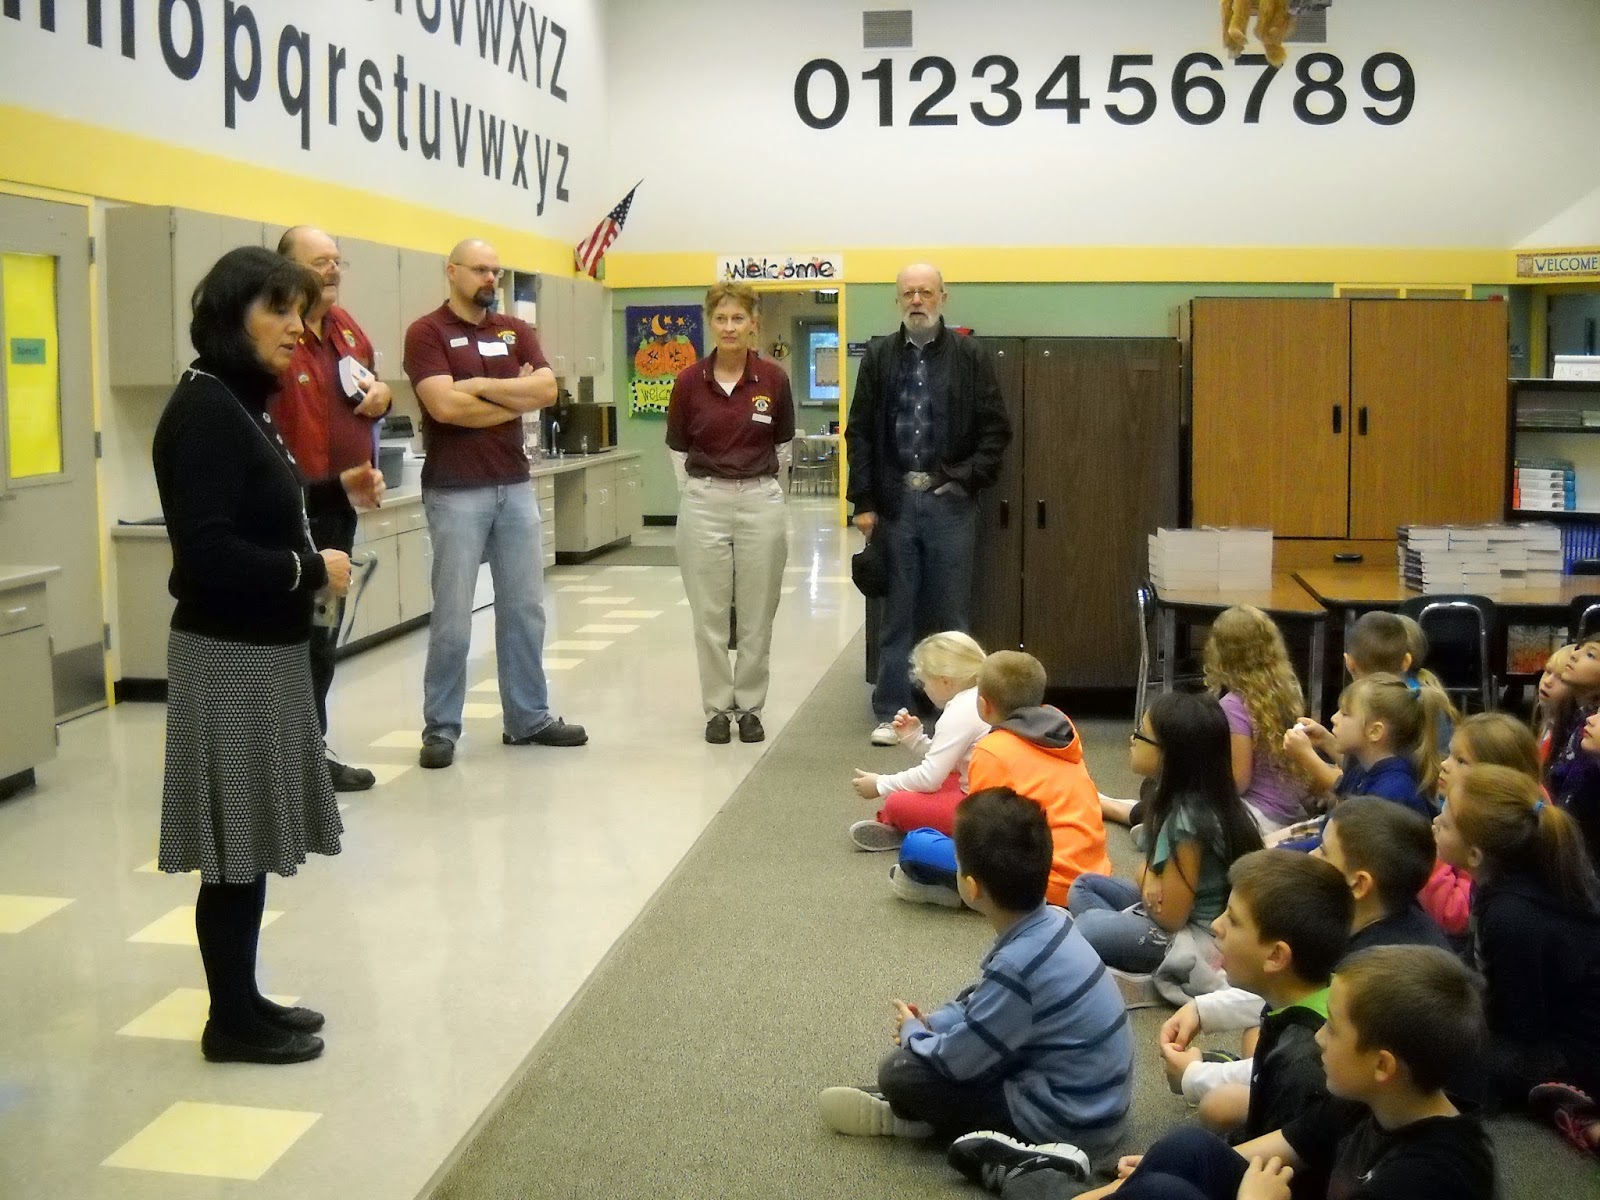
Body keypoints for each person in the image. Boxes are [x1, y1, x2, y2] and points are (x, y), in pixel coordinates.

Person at [152, 246, 385, 1064]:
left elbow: (263, 504)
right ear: (229, 317)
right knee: (232, 853)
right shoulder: (207, 413)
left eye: (302, 310)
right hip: (230, 657)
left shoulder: (240, 402)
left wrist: (326, 506)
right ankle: (229, 1023)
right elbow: (205, 555)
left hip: (262, 651)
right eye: (278, 311)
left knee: (245, 847)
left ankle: (245, 998)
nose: (298, 327)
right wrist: (308, 568)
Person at [949, 946, 1495, 1200]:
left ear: (1383, 1066)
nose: (1320, 1036)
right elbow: (1288, 1143)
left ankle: (1039, 1183)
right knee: (1187, 1154)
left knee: (1165, 1196)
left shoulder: (1430, 1180)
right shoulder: (1370, 1098)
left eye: (1336, 1029)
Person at [819, 788, 1132, 1159]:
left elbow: (956, 1059)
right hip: (1100, 1105)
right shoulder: (1052, 924)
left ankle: (915, 1121)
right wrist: (938, 1022)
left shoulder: (1018, 966)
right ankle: (919, 1109)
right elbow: (985, 1003)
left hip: (1068, 1124)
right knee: (948, 1046)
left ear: (969, 886)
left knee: (900, 1072)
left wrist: (914, 1034)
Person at [403, 239, 585, 769]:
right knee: (454, 617)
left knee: (525, 610)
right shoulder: (427, 333)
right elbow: (442, 405)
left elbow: (547, 391)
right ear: (451, 270)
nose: (489, 278)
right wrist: (511, 396)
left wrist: (479, 387)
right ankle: (440, 728)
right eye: (479, 269)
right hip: (455, 489)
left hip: (515, 486)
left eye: (495, 271)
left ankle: (527, 718)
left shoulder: (514, 330)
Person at [1166, 801, 1451, 1137]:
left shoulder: (1367, 965)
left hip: (1367, 1096)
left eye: (1324, 851)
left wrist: (1195, 1076)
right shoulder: (1368, 920)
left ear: (1359, 884)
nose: (1311, 856)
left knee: (1219, 1104)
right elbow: (1290, 985)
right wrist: (1204, 1009)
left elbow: (1320, 1055)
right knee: (1260, 1030)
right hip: (1342, 1061)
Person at [845, 263, 1012, 746]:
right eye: (908, 293)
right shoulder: (879, 356)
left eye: (925, 292)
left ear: (943, 297)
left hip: (950, 504)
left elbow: (996, 430)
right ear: (898, 301)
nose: (916, 300)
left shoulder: (970, 356)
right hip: (895, 503)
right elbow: (860, 432)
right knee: (897, 614)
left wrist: (963, 480)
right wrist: (864, 501)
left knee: (951, 612)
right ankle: (891, 712)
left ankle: (960, 717)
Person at [269, 225, 391, 792]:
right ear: (286, 270)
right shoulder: (275, 336)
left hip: (338, 508)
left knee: (322, 638)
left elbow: (370, 385)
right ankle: (279, 759)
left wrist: (384, 397)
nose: (333, 271)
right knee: (284, 640)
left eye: (337, 261)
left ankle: (308, 752)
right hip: (285, 510)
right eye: (320, 262)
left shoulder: (344, 327)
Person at [665, 282, 794, 744]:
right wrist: (703, 493)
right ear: (709, 323)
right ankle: (718, 709)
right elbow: (678, 451)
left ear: (753, 323)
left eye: (738, 318)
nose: (729, 327)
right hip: (704, 500)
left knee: (759, 611)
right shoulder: (688, 382)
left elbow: (782, 447)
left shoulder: (773, 380)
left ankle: (751, 707)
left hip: (760, 498)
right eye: (721, 319)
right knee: (710, 614)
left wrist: (759, 492)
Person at [1433, 763, 1600, 1112]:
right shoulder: (1510, 875)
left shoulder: (1511, 916)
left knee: (1439, 1052)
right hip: (1549, 1025)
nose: (1434, 824)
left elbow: (1522, 1027)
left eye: (1445, 823)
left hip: (1578, 1056)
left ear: (1475, 854)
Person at [1067, 693, 1263, 982]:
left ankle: (1121, 941)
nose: (1133, 739)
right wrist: (1151, 886)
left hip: (1193, 938)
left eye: (1142, 734)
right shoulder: (1186, 798)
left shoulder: (1188, 821)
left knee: (1087, 928)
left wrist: (1146, 877)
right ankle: (1119, 937)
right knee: (1084, 886)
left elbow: (1171, 917)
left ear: (1171, 755)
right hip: (1171, 910)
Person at [891, 652, 1109, 909]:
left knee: (916, 845)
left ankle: (963, 897)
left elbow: (981, 837)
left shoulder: (992, 750)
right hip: (1094, 878)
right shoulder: (1062, 728)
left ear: (983, 705)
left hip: (1044, 884)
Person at [849, 630, 988, 851]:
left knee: (897, 802)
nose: (923, 689)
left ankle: (913, 830)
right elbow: (951, 760)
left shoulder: (959, 712)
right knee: (932, 785)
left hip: (985, 811)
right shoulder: (982, 696)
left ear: (945, 682)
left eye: (925, 682)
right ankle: (914, 827)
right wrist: (917, 740)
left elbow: (929, 778)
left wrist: (880, 784)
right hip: (998, 797)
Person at [1275, 675, 1432, 850]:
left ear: (1375, 731)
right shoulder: (1367, 768)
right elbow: (1343, 786)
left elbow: (1344, 847)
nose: (1334, 718)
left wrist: (1305, 755)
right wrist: (1326, 741)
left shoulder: (1394, 789)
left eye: (1345, 713)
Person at [1422, 712, 1542, 942]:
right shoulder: (1464, 805)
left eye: (1461, 761)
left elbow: (1455, 914)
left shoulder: (1489, 829)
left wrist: (1433, 855)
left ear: (1494, 775)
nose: (1444, 765)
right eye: (1449, 755)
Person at [1202, 606, 1314, 834]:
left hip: (1256, 813)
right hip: (1290, 809)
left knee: (1183, 806)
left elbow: (1239, 782)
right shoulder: (1289, 689)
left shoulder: (1233, 704)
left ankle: (1153, 829)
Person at [1544, 636, 1600, 863]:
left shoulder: (1591, 737)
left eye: (1591, 654)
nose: (1574, 655)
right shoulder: (1572, 714)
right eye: (1578, 649)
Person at [1533, 643, 1576, 765]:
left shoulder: (1568, 739)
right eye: (1548, 671)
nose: (1547, 682)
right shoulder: (1550, 723)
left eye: (1562, 679)